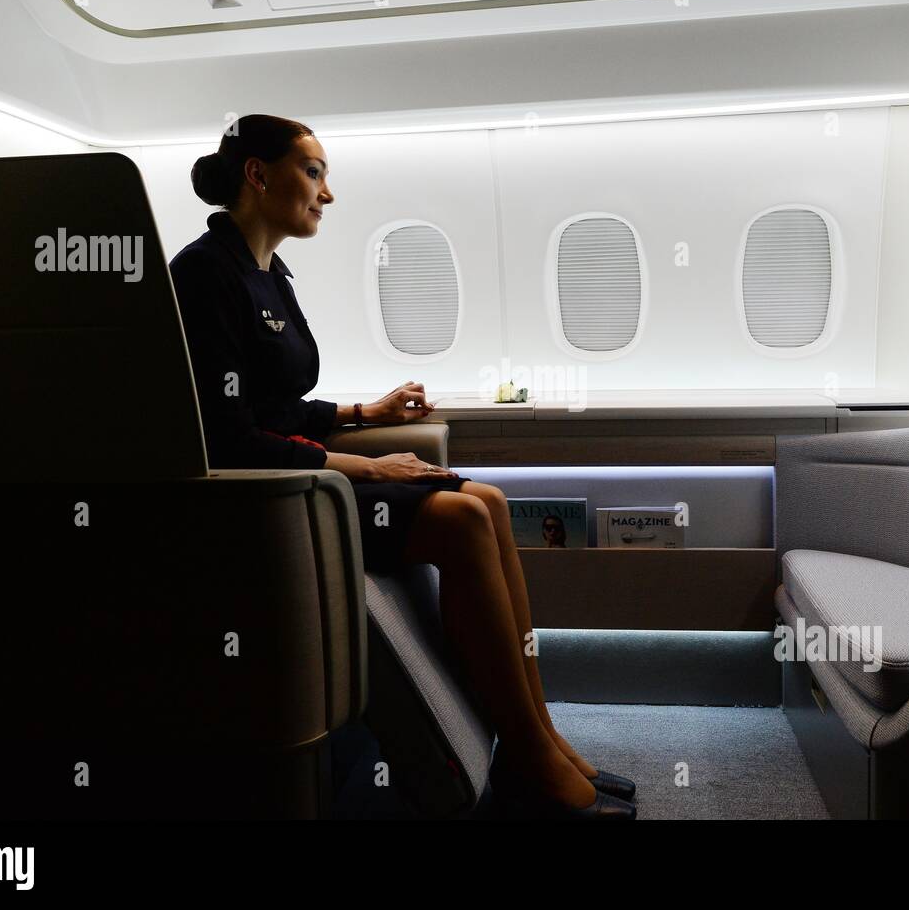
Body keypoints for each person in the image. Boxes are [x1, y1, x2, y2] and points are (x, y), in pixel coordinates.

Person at [169, 114, 636, 820]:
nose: (327, 194)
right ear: (257, 176)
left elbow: (280, 405)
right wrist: (365, 469)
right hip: (273, 501)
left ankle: (538, 731)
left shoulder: (272, 273)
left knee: (492, 502)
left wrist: (364, 412)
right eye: (313, 171)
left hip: (305, 478)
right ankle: (532, 758)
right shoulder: (204, 274)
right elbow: (228, 437)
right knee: (463, 517)